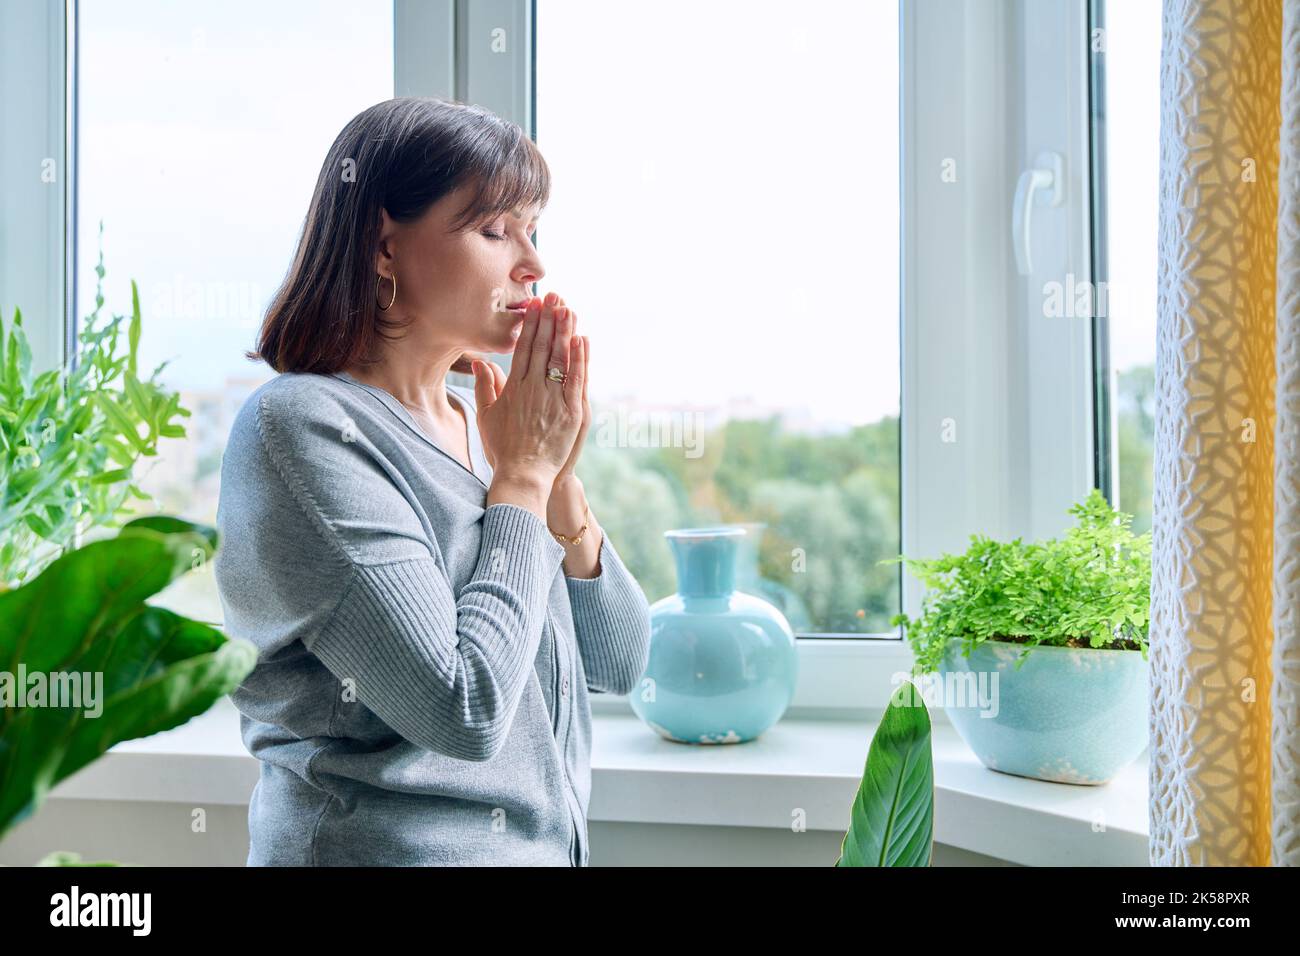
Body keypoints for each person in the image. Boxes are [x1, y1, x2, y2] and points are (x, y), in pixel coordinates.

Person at [214, 96, 652, 866]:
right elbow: (463, 710)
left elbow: (618, 663)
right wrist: (521, 477)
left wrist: (556, 485)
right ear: (384, 246)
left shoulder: (482, 424)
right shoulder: (304, 427)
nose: (533, 263)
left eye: (531, 227)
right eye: (493, 230)